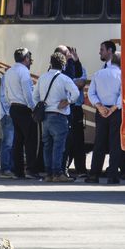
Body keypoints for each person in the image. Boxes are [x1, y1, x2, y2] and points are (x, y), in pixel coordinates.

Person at [33, 51, 80, 183]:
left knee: (47, 145)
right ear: (63, 65)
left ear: (50, 64)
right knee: (59, 146)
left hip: (45, 117)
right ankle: (58, 173)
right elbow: (75, 93)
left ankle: (48, 174)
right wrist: (68, 101)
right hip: (59, 116)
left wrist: (43, 104)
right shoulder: (64, 79)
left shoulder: (42, 78)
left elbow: (34, 96)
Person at [87, 43, 123, 184]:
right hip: (115, 112)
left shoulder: (98, 74)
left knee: (99, 143)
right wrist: (113, 108)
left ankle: (94, 175)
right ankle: (113, 175)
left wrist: (100, 106)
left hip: (100, 112)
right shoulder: (121, 75)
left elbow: (91, 93)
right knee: (115, 144)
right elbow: (122, 95)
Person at [4, 47, 41, 179]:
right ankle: (31, 170)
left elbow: (6, 92)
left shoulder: (9, 72)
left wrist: (10, 104)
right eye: (30, 59)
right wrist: (33, 108)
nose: (31, 61)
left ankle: (17, 171)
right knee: (30, 141)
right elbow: (27, 93)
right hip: (25, 109)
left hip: (14, 108)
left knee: (17, 141)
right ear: (25, 59)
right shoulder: (24, 72)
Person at [57, 44, 88, 179]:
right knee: (66, 140)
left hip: (75, 108)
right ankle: (63, 169)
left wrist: (75, 62)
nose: (69, 56)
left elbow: (82, 82)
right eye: (66, 54)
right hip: (66, 108)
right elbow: (74, 83)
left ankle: (81, 169)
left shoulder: (77, 67)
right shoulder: (58, 70)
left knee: (78, 140)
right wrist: (72, 84)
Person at [0, 69, 15, 179]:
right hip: (7, 115)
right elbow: (3, 97)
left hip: (8, 114)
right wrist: (9, 112)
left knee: (11, 143)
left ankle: (10, 168)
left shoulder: (7, 77)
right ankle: (5, 169)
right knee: (8, 143)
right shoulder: (6, 78)